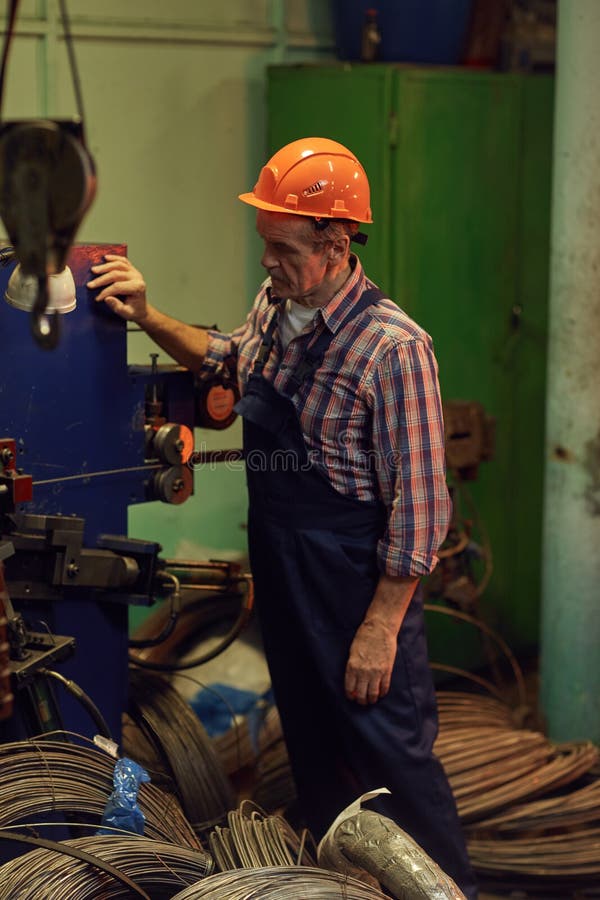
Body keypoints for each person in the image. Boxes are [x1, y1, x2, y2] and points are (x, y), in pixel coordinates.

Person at [88, 137, 478, 898]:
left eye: (281, 247)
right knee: (312, 751)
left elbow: (422, 505)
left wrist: (380, 626)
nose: (266, 262)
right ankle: (339, 886)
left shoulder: (393, 349)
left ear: (334, 244)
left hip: (353, 586)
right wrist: (147, 313)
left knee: (389, 758)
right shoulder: (280, 306)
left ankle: (444, 887)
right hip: (287, 567)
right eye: (263, 244)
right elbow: (227, 361)